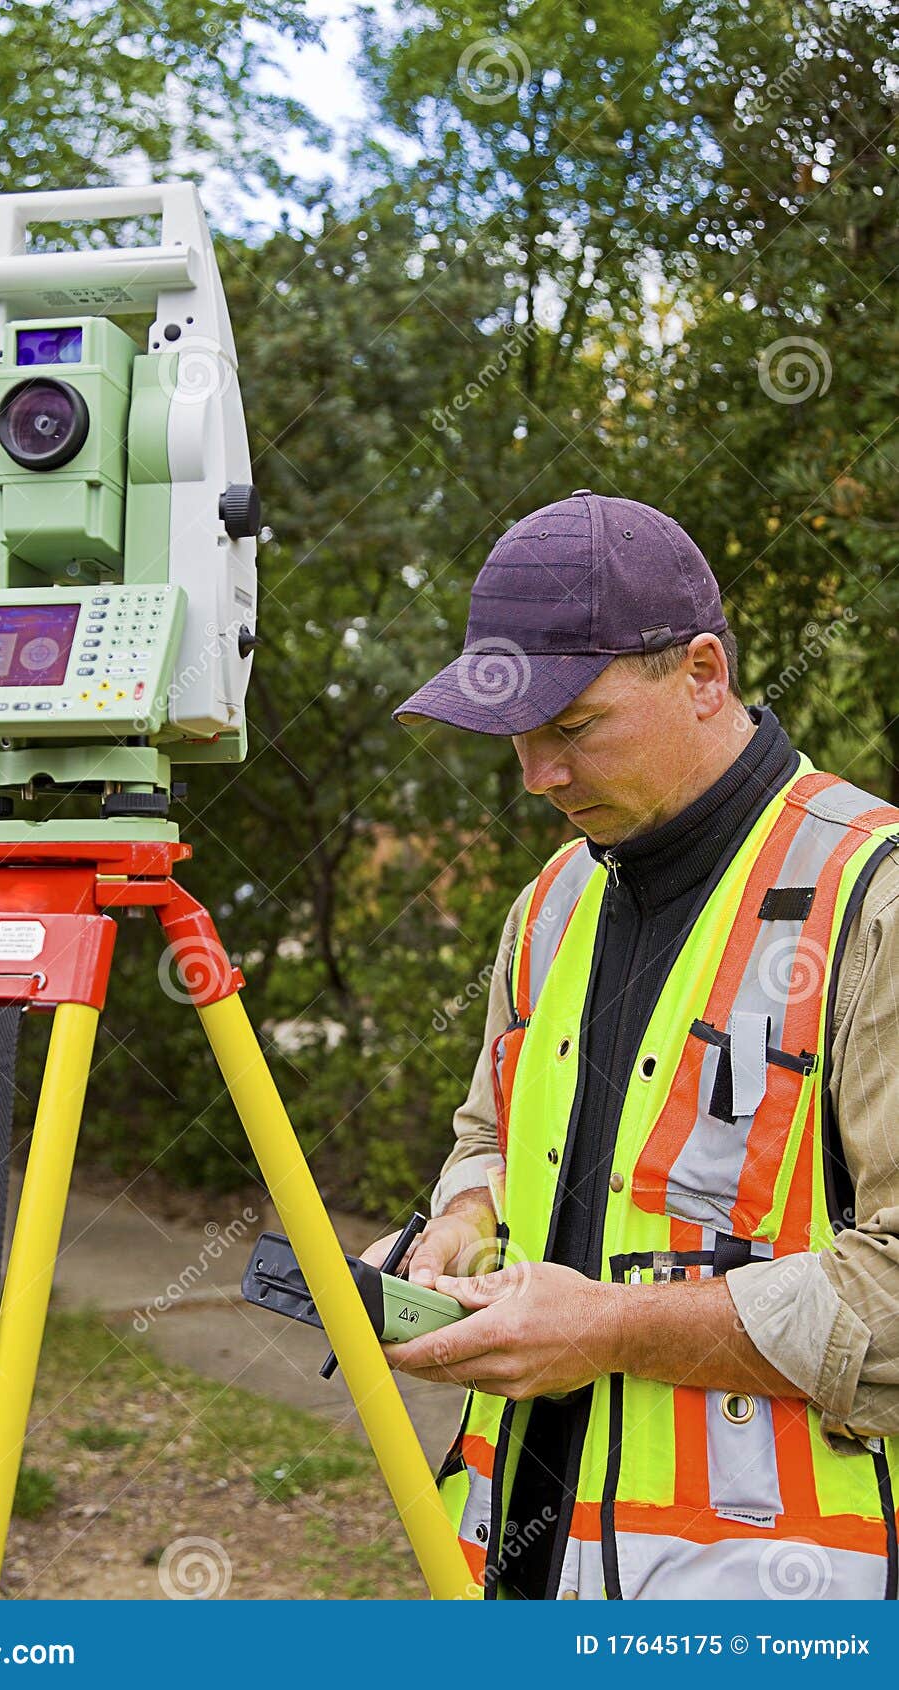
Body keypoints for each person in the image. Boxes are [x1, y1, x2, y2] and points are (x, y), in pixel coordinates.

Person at [368, 490, 899, 1600]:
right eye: (515, 735)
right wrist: (458, 1223)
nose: (536, 776)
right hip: (517, 1561)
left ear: (703, 672)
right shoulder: (553, 901)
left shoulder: (873, 901)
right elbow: (488, 1135)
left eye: (572, 727)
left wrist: (609, 1329)